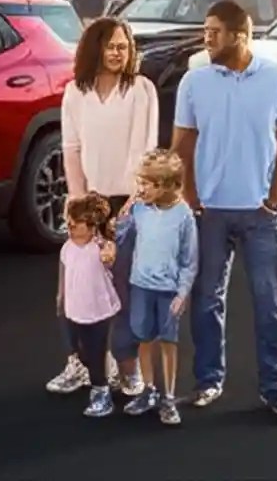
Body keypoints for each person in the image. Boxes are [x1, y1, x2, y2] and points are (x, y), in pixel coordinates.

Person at [172, 0, 277, 420]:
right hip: (210, 212)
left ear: (240, 36)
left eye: (214, 32)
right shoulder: (194, 83)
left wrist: (275, 198)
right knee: (206, 300)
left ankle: (275, 388)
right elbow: (182, 144)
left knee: (269, 302)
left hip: (260, 214)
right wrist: (190, 197)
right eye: (205, 31)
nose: (205, 38)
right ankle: (208, 381)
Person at [46, 17, 158, 397]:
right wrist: (78, 204)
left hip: (129, 203)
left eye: (123, 46)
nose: (117, 53)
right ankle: (78, 363)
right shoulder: (75, 93)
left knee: (123, 292)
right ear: (94, 48)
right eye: (110, 46)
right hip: (88, 202)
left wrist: (128, 208)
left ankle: (125, 369)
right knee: (73, 290)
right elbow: (72, 150)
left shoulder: (141, 90)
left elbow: (146, 152)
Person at [114, 149, 198, 426]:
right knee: (144, 337)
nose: (141, 190)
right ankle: (149, 390)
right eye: (140, 183)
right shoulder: (139, 209)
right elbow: (120, 235)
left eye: (147, 184)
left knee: (168, 341)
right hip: (141, 285)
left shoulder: (184, 216)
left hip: (168, 289)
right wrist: (124, 213)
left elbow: (189, 260)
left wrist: (182, 293)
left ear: (166, 185)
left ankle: (169, 397)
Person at [57, 193, 123, 418]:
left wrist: (108, 251)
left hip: (98, 312)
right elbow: (63, 276)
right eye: (69, 223)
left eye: (76, 223)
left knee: (94, 352)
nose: (71, 227)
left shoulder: (100, 248)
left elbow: (110, 258)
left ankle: (101, 391)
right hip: (74, 311)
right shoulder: (67, 248)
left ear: (92, 225)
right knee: (81, 352)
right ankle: (103, 370)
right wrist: (61, 300)